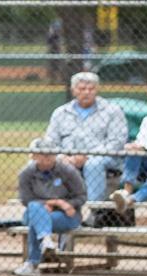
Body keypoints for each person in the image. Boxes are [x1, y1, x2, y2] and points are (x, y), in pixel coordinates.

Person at [41, 70, 130, 208]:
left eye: (91, 88)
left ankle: (94, 210)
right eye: (82, 89)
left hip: (105, 158)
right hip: (68, 157)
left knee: (93, 164)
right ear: (73, 90)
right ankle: (47, 205)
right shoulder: (60, 113)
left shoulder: (112, 111)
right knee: (47, 161)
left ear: (97, 90)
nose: (87, 92)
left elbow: (117, 141)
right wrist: (62, 156)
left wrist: (88, 156)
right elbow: (50, 141)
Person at [13, 136, 84, 276]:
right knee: (35, 210)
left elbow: (81, 196)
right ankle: (46, 240)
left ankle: (32, 263)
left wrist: (66, 204)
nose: (48, 158)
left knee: (37, 220)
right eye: (43, 155)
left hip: (65, 215)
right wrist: (54, 202)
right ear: (34, 156)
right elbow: (26, 199)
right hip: (36, 211)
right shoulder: (26, 173)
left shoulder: (67, 171)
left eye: (51, 154)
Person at [110, 82, 147, 215]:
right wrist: (136, 146)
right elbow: (142, 142)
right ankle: (127, 190)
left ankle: (129, 200)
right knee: (134, 149)